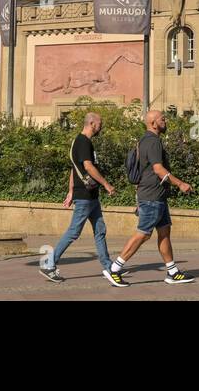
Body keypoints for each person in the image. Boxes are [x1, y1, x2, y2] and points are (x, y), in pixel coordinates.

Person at [41, 112, 128, 287]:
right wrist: (106, 184)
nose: (101, 126)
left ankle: (108, 266)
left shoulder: (81, 141)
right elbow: (87, 167)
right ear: (92, 123)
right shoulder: (83, 142)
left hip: (90, 196)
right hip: (85, 197)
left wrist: (70, 191)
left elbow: (74, 169)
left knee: (100, 230)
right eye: (100, 123)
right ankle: (49, 265)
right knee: (74, 232)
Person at [109, 109, 194, 284]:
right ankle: (114, 269)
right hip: (152, 196)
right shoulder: (153, 142)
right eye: (163, 119)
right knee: (143, 234)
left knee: (164, 232)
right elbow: (158, 169)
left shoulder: (143, 140)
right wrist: (180, 184)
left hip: (156, 195)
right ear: (153, 123)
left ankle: (172, 272)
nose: (165, 122)